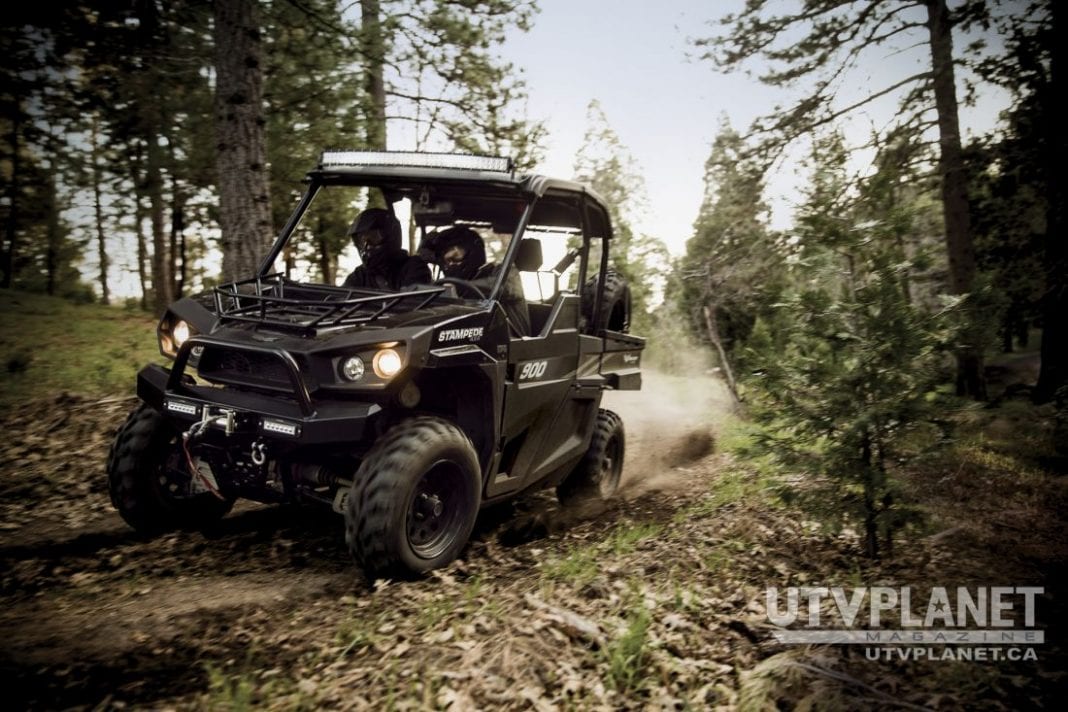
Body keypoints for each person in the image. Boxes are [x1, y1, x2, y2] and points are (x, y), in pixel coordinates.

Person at [419, 225, 531, 336]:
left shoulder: (505, 273)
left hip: (512, 344)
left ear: (473, 250)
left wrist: (460, 287)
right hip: (470, 341)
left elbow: (506, 287)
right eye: (446, 262)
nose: (450, 265)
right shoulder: (454, 284)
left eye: (455, 257)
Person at [342, 208, 429, 290]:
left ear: (391, 236)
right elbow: (342, 298)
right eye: (362, 241)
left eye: (374, 237)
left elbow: (413, 299)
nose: (367, 246)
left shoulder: (414, 267)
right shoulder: (360, 275)